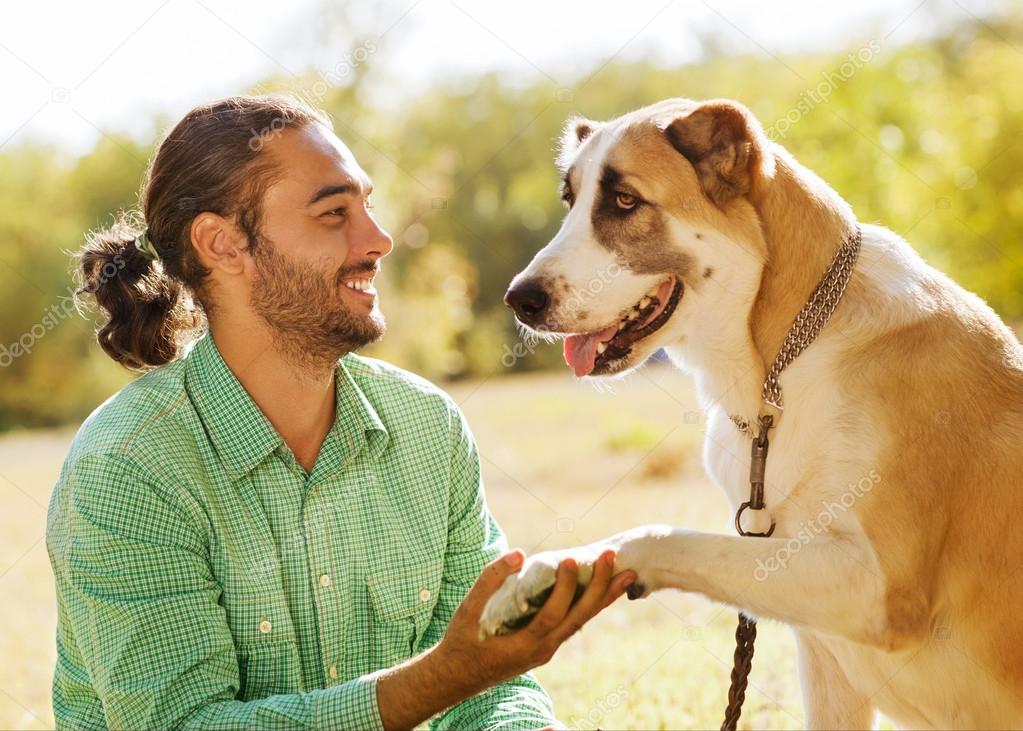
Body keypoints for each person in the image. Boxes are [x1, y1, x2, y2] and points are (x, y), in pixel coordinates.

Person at [46, 95, 637, 730]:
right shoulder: (128, 469)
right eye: (334, 214)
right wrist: (442, 676)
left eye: (367, 205)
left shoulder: (426, 429)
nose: (379, 240)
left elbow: (492, 693)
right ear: (223, 245)